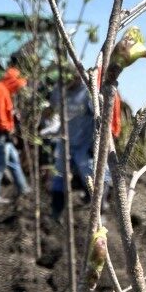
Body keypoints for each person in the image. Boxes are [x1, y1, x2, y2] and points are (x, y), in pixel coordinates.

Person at [48, 71, 121, 219]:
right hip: (65, 141)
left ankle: (100, 212)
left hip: (85, 144)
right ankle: (56, 211)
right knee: (59, 174)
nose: (66, 84)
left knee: (98, 177)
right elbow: (51, 108)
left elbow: (100, 119)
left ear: (76, 77)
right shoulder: (58, 90)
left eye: (70, 80)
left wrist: (97, 144)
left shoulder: (87, 92)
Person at [0, 67, 31, 204]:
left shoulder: (3, 90)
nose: (19, 89)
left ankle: (23, 188)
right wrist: (7, 128)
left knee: (13, 159)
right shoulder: (0, 91)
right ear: (13, 81)